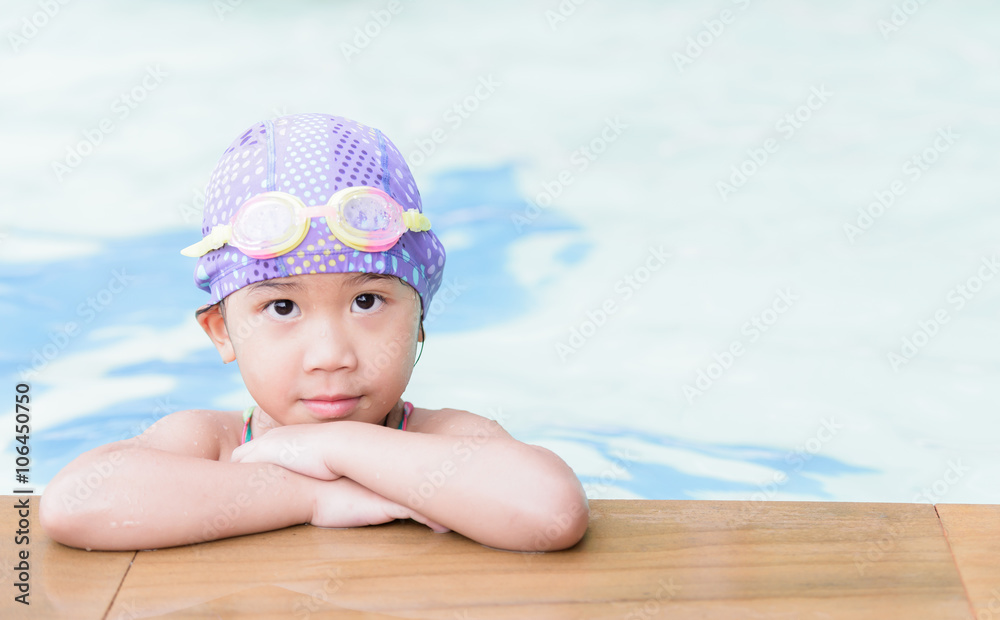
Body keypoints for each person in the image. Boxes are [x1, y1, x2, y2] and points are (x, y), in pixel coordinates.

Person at [39, 113, 588, 552]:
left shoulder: (443, 439)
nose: (330, 356)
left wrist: (335, 444)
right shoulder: (213, 444)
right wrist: (311, 496)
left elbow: (551, 512)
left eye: (367, 301)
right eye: (281, 307)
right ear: (221, 332)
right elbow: (74, 504)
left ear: (419, 320)